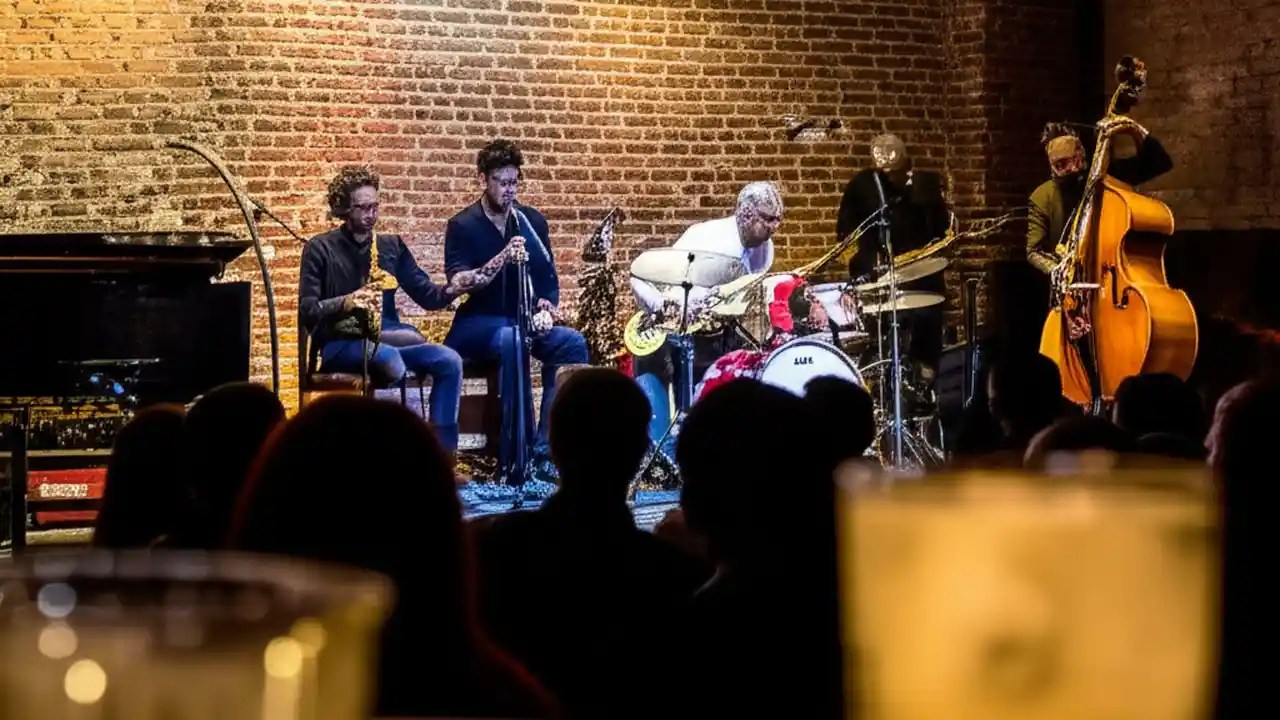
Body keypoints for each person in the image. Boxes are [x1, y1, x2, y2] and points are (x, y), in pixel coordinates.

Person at [300, 165, 476, 455]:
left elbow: (427, 295)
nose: (371, 215)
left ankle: (442, 457)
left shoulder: (390, 246)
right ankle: (388, 452)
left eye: (375, 206)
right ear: (344, 208)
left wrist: (452, 289)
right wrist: (348, 301)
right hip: (340, 343)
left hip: (387, 339)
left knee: (448, 360)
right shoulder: (320, 248)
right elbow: (308, 310)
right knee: (392, 356)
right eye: (362, 208)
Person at [443, 139, 589, 482]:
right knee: (512, 339)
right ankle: (514, 456)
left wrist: (546, 308)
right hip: (478, 323)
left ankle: (545, 449)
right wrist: (502, 256)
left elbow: (548, 279)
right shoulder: (462, 225)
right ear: (484, 180)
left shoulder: (531, 221)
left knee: (572, 344)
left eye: (514, 182)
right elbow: (461, 283)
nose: (509, 190)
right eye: (502, 182)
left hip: (522, 320)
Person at [629, 181, 785, 446]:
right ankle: (661, 451)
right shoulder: (710, 240)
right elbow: (659, 281)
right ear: (746, 214)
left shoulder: (763, 247)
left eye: (778, 220)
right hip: (670, 322)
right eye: (768, 219)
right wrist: (662, 306)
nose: (774, 227)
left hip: (714, 326)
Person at [1025, 119, 1173, 340]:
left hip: (1112, 291)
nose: (1072, 170)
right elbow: (1033, 250)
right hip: (1071, 297)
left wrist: (1133, 130)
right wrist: (1058, 269)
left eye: (1076, 162)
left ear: (1083, 154)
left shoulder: (1107, 179)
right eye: (1061, 165)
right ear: (1051, 166)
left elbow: (1159, 162)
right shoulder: (1042, 197)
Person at [835, 133, 951, 383]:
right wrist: (861, 271)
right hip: (880, 284)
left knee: (925, 348)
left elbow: (942, 236)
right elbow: (845, 238)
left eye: (898, 171)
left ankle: (924, 386)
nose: (894, 177)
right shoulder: (863, 188)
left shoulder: (925, 189)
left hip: (923, 283)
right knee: (886, 346)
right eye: (887, 173)